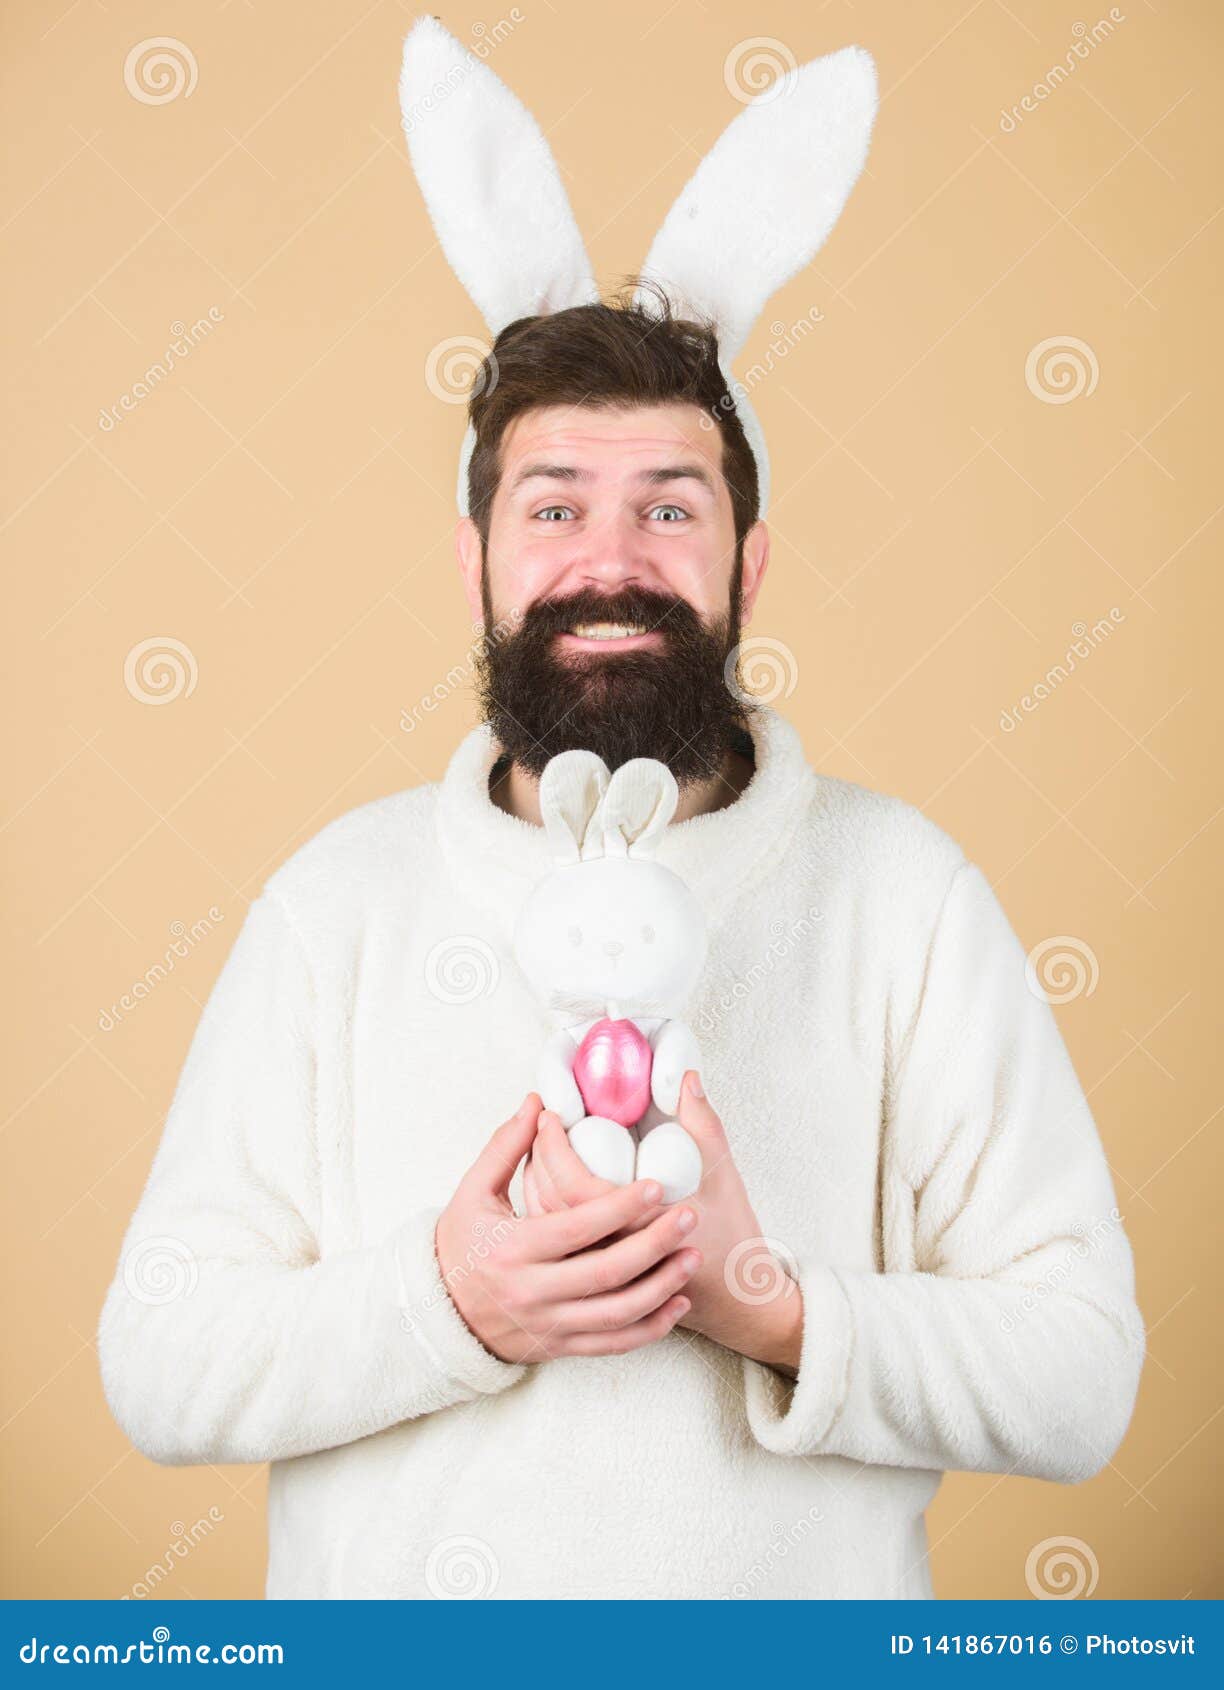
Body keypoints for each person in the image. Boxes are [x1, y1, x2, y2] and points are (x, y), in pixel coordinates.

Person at [97, 292, 1145, 1600]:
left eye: (667, 506)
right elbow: (158, 1358)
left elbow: (1083, 1371)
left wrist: (764, 1302)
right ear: (473, 558)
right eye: (553, 507)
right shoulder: (332, 902)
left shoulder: (902, 892)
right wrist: (448, 1301)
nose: (610, 559)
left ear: (747, 561)